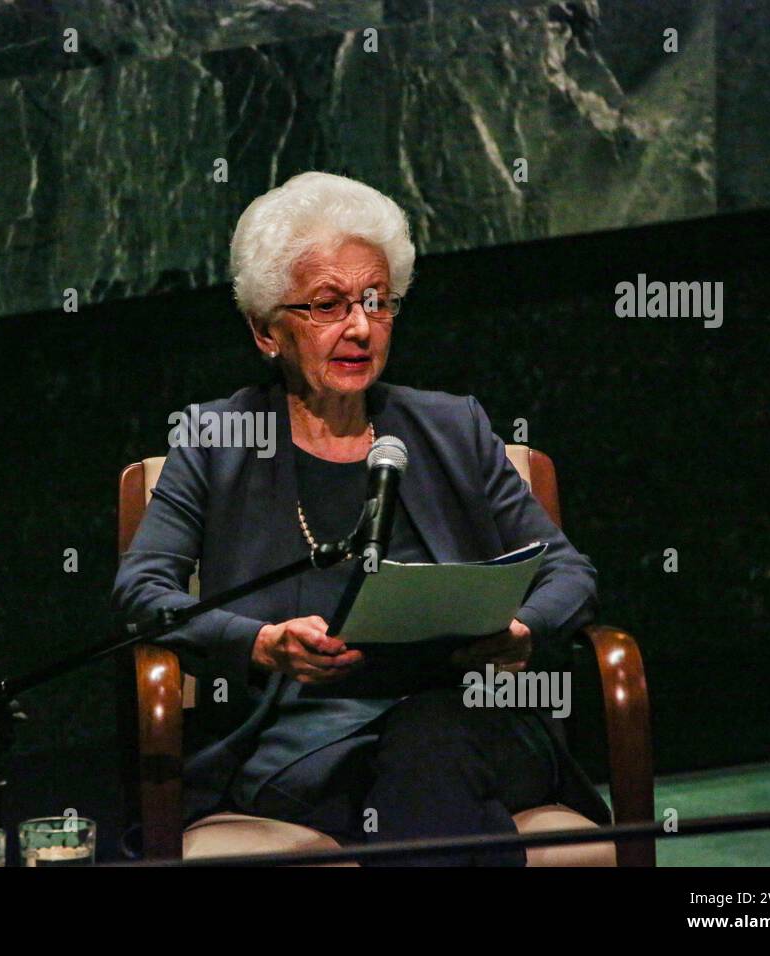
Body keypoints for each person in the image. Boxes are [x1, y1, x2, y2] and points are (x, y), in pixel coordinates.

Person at [112, 171, 611, 865]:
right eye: (328, 304)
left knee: (430, 741)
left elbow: (568, 573)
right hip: (312, 744)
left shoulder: (450, 427)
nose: (359, 326)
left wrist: (524, 629)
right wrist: (260, 643)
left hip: (470, 716)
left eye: (377, 302)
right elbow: (143, 593)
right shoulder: (216, 440)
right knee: (427, 771)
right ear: (266, 331)